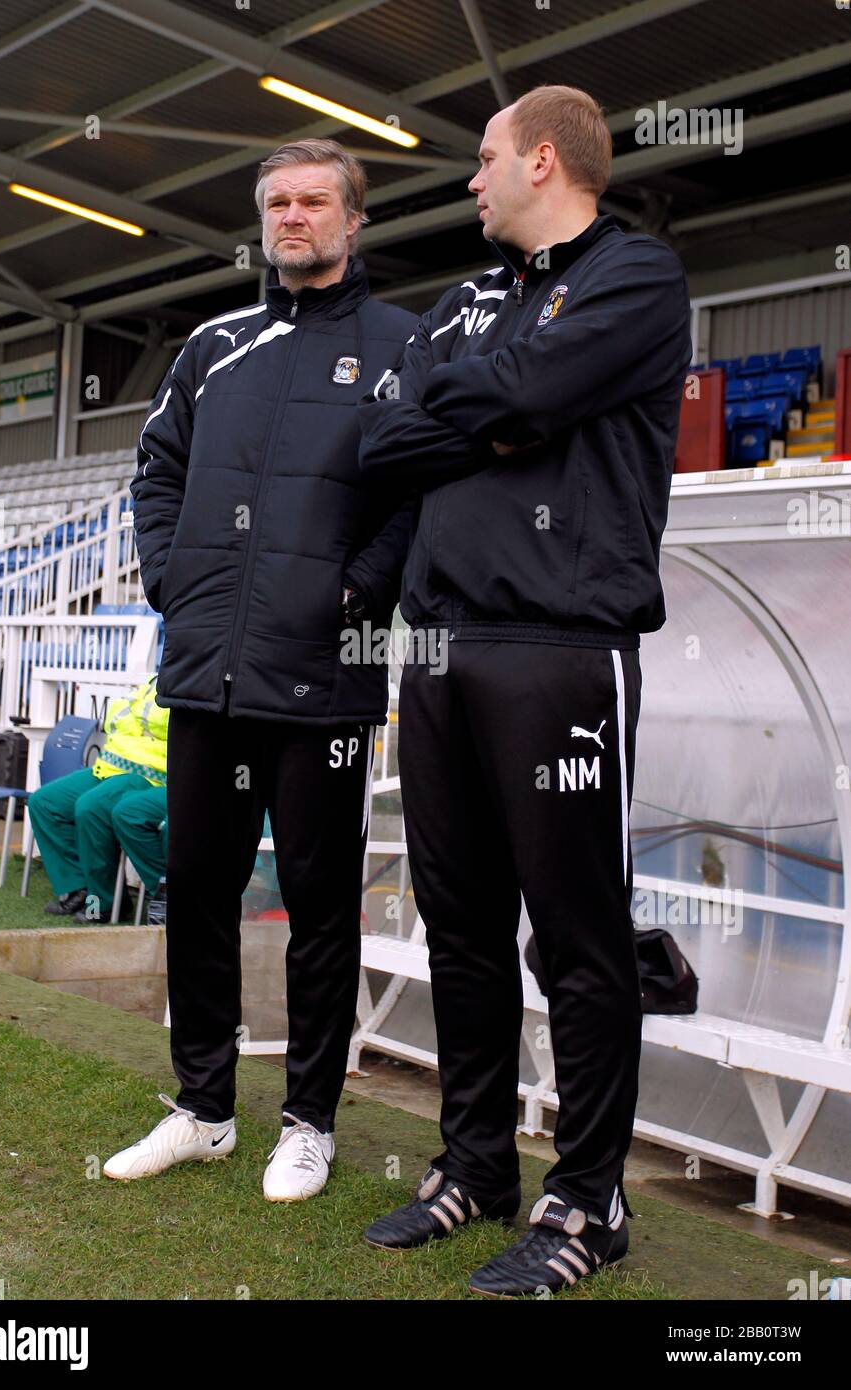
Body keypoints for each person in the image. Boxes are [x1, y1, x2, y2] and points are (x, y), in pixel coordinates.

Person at [357, 85, 692, 1295]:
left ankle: (587, 1202)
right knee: (457, 926)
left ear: (540, 159)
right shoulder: (460, 302)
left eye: (482, 160)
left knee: (578, 939)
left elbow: (526, 397)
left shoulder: (635, 278)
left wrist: (495, 404)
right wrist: (488, 413)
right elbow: (381, 441)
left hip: (561, 644)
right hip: (438, 648)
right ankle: (476, 1165)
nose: (469, 182)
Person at [106, 139, 415, 1200]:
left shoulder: (400, 345)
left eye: (313, 201)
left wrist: (356, 590)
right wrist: (172, 582)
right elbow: (156, 469)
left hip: (323, 677)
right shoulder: (212, 345)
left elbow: (419, 491)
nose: (293, 216)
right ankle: (200, 1107)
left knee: (319, 902)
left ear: (352, 217)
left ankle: (309, 1121)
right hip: (209, 671)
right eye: (277, 202)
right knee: (196, 890)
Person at [29, 674, 168, 925]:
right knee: (44, 802)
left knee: (90, 807)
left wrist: (139, 726)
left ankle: (102, 904)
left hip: (148, 773)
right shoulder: (152, 679)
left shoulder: (193, 684)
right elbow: (121, 720)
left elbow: (159, 727)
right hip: (110, 765)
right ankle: (77, 886)